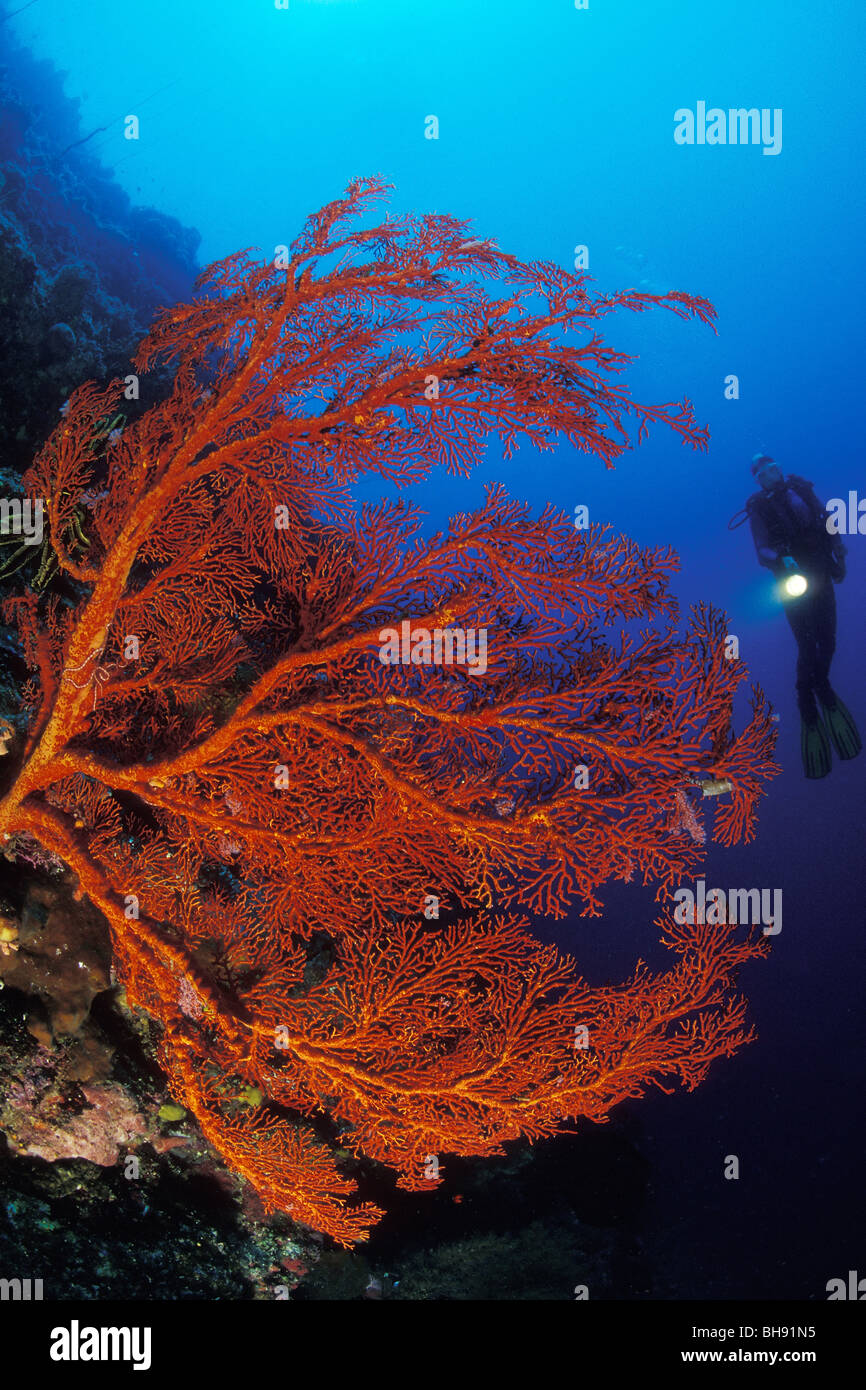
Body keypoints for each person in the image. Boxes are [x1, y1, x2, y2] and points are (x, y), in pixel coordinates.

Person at [746, 453, 860, 779]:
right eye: (763, 473)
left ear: (779, 468)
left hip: (822, 574)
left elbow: (828, 521)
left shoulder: (801, 489)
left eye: (773, 468)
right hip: (792, 584)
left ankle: (821, 684)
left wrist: (839, 553)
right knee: (807, 646)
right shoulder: (758, 508)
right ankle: (806, 700)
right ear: (758, 480)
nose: (770, 474)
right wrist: (782, 559)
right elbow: (761, 551)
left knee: (829, 641)